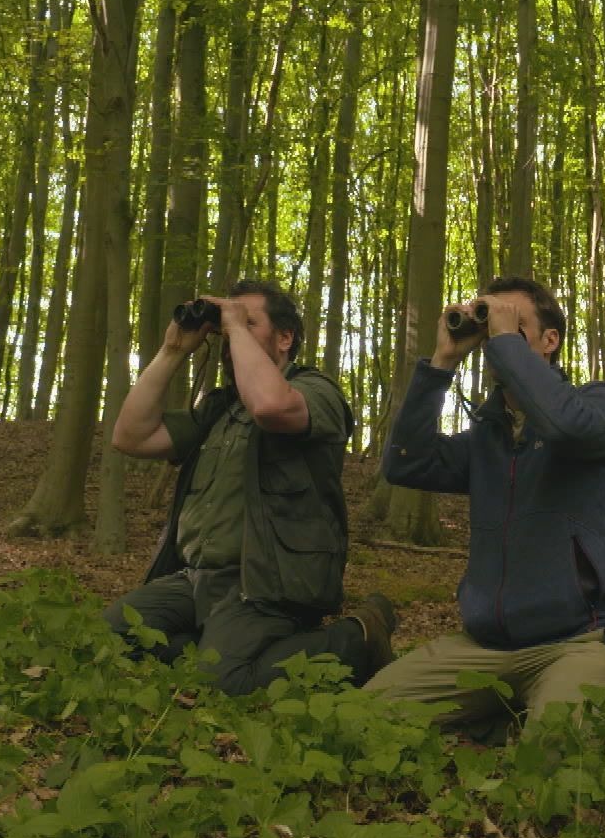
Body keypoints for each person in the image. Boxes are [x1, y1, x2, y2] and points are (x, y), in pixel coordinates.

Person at [368, 275, 605, 733]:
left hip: (579, 641)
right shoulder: (487, 438)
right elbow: (406, 463)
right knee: (360, 720)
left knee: (562, 746)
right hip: (484, 647)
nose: (497, 337)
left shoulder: (599, 405)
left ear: (550, 341)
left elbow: (565, 427)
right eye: (490, 324)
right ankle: (501, 717)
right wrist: (442, 362)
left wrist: (506, 341)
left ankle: (511, 717)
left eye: (513, 324)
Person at [100, 279, 395, 693]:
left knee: (224, 685)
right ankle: (221, 645)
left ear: (285, 338)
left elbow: (271, 407)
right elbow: (130, 437)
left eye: (248, 322)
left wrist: (234, 325)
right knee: (106, 641)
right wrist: (172, 351)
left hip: (268, 583)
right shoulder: (220, 409)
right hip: (196, 579)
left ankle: (359, 636)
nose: (229, 332)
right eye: (226, 326)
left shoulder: (316, 390)